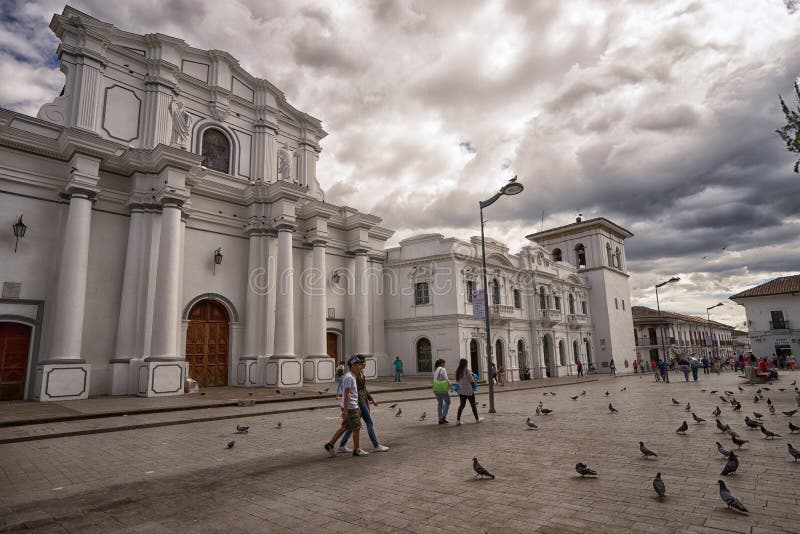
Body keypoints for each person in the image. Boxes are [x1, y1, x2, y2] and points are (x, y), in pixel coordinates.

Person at [338, 356, 389, 453]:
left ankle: (342, 445)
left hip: (361, 401)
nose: (365, 364)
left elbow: (364, 389)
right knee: (368, 422)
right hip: (358, 402)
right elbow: (352, 392)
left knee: (352, 426)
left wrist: (371, 399)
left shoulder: (360, 373)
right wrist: (353, 406)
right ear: (360, 363)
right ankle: (376, 445)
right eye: (364, 362)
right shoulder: (355, 375)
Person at [324, 355, 369, 458]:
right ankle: (356, 450)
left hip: (351, 406)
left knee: (345, 427)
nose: (359, 366)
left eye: (359, 364)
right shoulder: (349, 377)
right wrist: (345, 410)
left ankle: (330, 444)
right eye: (357, 364)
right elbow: (346, 393)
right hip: (350, 407)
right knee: (356, 428)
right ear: (352, 366)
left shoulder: (352, 375)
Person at [455, 358, 483, 425]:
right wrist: (474, 385)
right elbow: (471, 380)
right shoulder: (467, 371)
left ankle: (458, 420)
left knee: (462, 405)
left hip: (461, 391)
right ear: (465, 364)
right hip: (469, 391)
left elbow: (457, 381)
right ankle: (477, 419)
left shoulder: (458, 371)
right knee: (473, 405)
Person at [432, 359, 451, 424]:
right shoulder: (442, 369)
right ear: (442, 363)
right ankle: (443, 417)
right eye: (444, 363)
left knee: (440, 403)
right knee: (448, 402)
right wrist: (451, 387)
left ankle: (440, 419)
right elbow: (446, 379)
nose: (445, 365)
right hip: (442, 388)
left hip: (436, 388)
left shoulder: (435, 369)